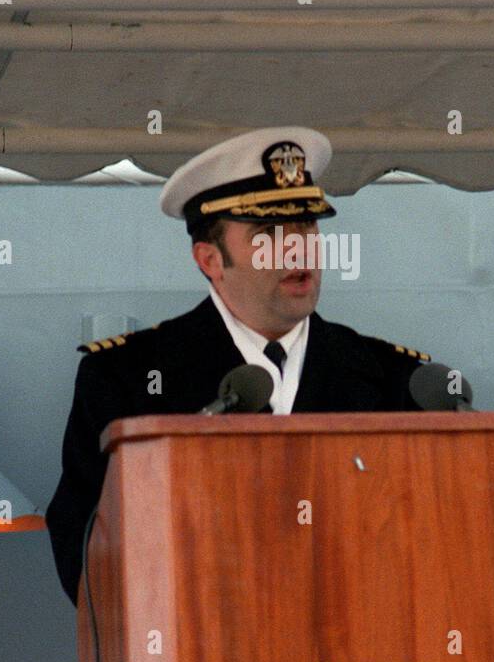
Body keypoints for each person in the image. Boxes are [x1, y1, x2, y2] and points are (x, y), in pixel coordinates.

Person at [45, 127, 432, 605]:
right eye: (269, 233)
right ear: (210, 259)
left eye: (307, 226)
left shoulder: (398, 381)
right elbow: (83, 553)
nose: (298, 250)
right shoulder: (126, 381)